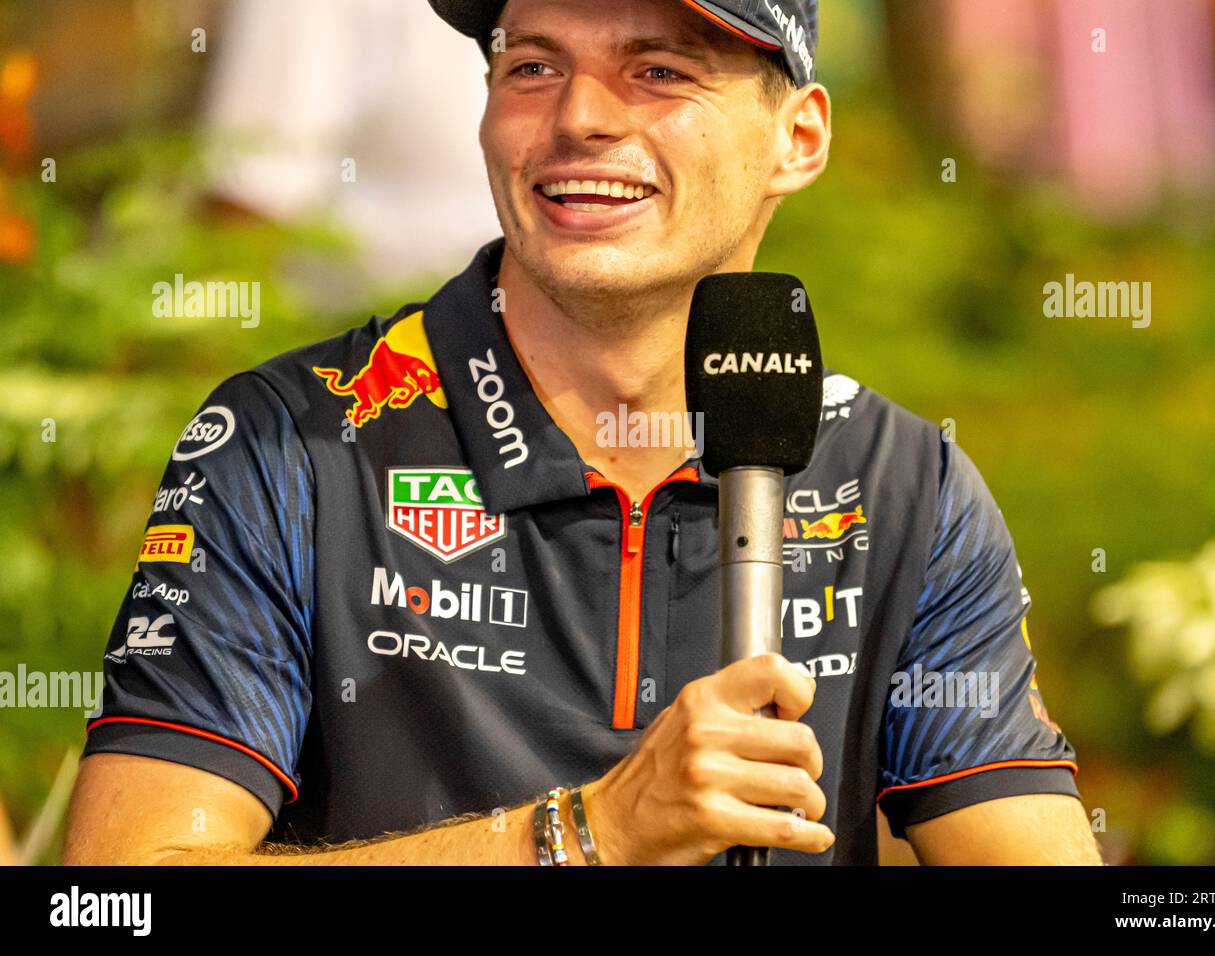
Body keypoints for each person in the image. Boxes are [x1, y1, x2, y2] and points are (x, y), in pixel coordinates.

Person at [63, 0, 1101, 865]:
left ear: (800, 138)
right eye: (532, 66)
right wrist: (585, 833)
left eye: (657, 71)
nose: (580, 119)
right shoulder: (289, 442)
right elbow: (124, 896)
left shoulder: (902, 480)